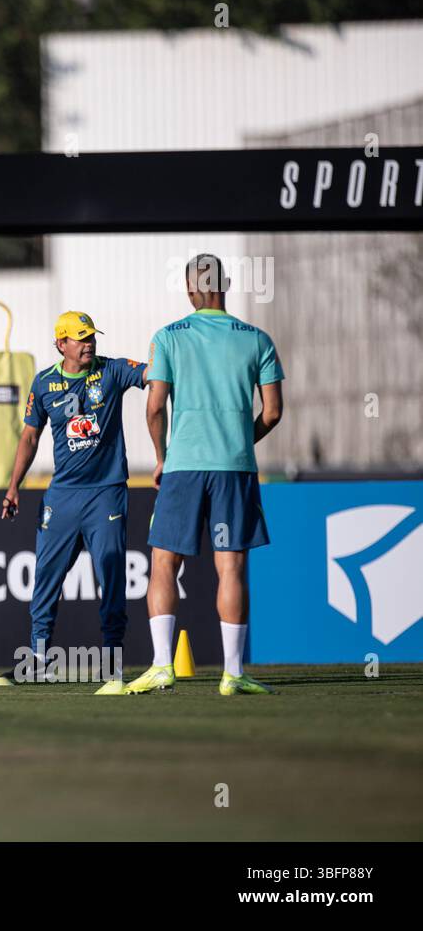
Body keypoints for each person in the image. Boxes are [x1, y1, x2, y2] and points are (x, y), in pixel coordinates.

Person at [125, 254, 284, 696]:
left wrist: (161, 456)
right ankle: (234, 673)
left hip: (183, 466)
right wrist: (236, 439)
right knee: (230, 566)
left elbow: (155, 407)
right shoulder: (257, 339)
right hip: (234, 466)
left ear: (192, 289)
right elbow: (272, 413)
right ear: (226, 285)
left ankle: (161, 666)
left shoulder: (170, 337)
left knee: (164, 564)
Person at [1, 311, 147, 693]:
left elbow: (152, 374)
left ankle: (112, 663)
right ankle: (38, 658)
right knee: (46, 578)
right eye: (80, 338)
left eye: (91, 337)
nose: (88, 343)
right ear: (60, 344)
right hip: (62, 496)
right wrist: (13, 485)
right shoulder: (45, 382)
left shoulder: (112, 371)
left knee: (111, 577)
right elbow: (30, 437)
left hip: (107, 492)